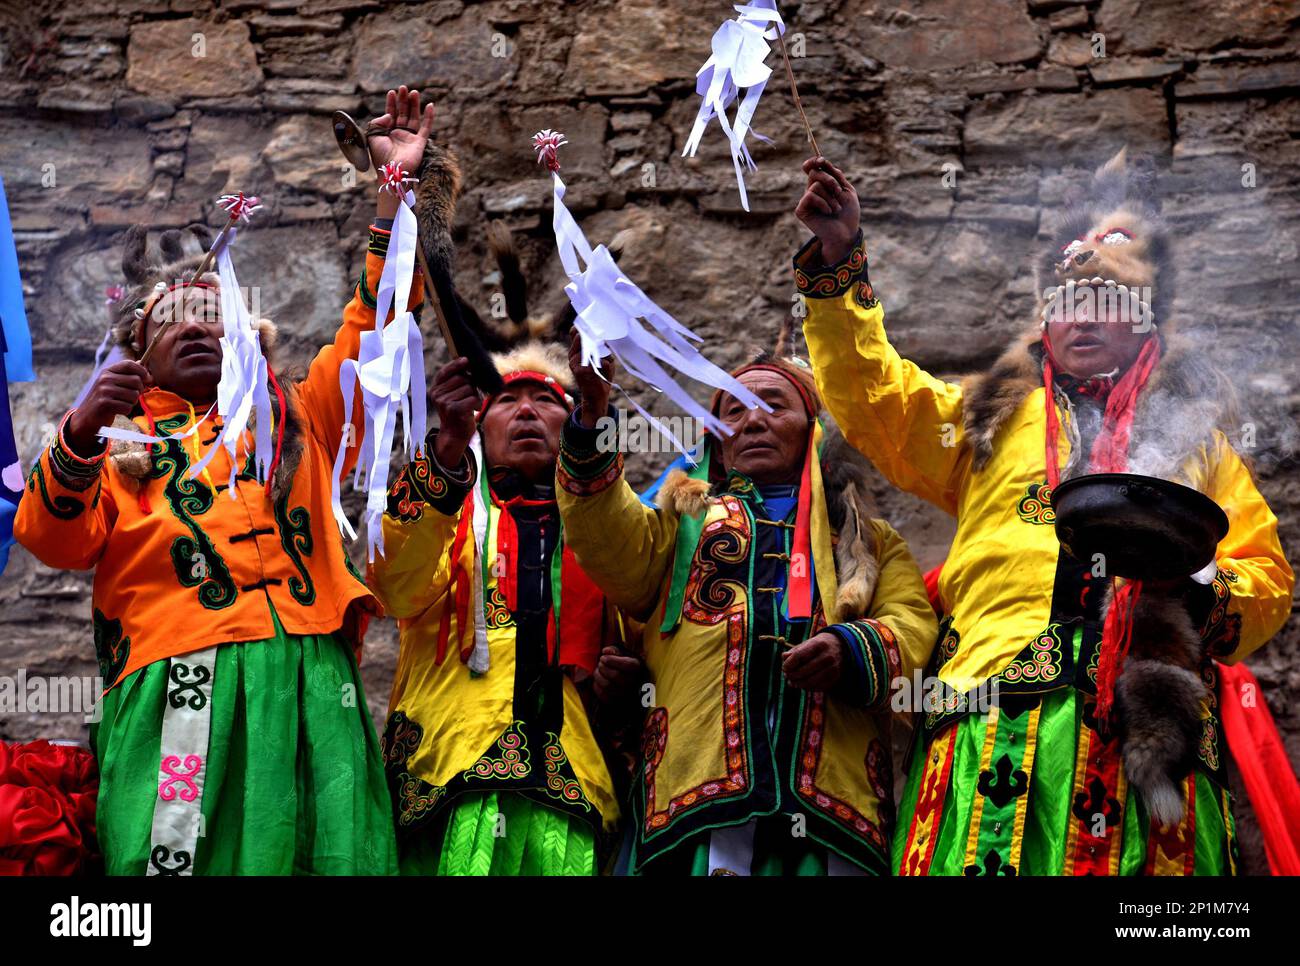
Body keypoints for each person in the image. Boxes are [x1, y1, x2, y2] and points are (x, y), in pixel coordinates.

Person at [793, 148, 1294, 875]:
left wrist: (1192, 593)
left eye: (1107, 304)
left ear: (1145, 326)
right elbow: (874, 395)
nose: (1082, 318)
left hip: (1143, 717)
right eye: (1068, 305)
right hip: (992, 707)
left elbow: (1266, 577)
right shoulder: (988, 418)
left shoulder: (1202, 446)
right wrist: (839, 263)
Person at [15, 86, 441, 875]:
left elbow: (377, 324)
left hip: (316, 678)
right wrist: (75, 436)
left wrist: (395, 195)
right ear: (136, 349)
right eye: (175, 315)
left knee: (333, 852)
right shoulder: (113, 442)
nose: (202, 326)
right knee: (176, 862)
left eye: (218, 315)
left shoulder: (303, 414)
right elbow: (53, 539)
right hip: (180, 682)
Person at [556, 327, 938, 875]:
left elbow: (914, 627)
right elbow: (606, 539)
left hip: (832, 799)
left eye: (774, 405)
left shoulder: (868, 539)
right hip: (693, 793)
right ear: (716, 437)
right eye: (735, 410)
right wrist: (592, 416)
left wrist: (850, 649)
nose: (753, 420)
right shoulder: (679, 523)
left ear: (813, 429)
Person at [368, 337, 624, 876]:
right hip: (448, 760)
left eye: (548, 401)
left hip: (567, 775)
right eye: (507, 401)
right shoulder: (450, 512)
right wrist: (447, 448)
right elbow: (392, 587)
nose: (527, 410)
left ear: (571, 424)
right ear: (481, 425)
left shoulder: (603, 534)